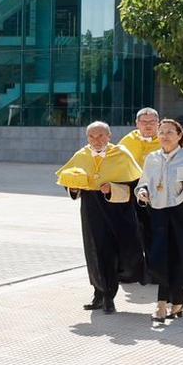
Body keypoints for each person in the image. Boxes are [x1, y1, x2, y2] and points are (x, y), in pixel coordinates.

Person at [55, 121, 143, 313]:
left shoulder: (122, 154)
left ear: (109, 136)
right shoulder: (81, 155)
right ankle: (101, 294)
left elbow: (136, 185)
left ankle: (109, 293)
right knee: (95, 251)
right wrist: (74, 187)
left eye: (101, 136)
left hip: (118, 210)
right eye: (92, 137)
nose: (96, 140)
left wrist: (113, 188)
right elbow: (69, 180)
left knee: (115, 251)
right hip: (91, 208)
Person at [135, 118, 183, 328]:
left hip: (182, 213)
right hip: (157, 212)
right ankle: (178, 301)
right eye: (162, 132)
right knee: (158, 257)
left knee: (176, 256)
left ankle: (161, 304)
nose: (165, 136)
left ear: (179, 135)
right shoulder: (152, 158)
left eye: (170, 132)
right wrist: (142, 192)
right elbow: (143, 183)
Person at [120, 107, 164, 284]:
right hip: (132, 190)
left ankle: (155, 271)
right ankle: (131, 271)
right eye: (144, 122)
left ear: (158, 123)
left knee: (155, 232)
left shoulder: (165, 138)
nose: (148, 125)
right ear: (137, 123)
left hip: (159, 191)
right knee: (131, 231)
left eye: (152, 122)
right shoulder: (127, 141)